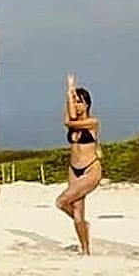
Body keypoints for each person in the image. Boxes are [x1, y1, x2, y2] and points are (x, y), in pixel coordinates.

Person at [54, 74, 101, 255]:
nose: (77, 105)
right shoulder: (74, 120)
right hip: (74, 170)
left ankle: (84, 226)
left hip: (90, 169)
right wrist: (69, 91)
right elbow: (69, 116)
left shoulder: (92, 123)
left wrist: (72, 92)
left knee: (61, 201)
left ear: (87, 104)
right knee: (77, 212)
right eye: (76, 102)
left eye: (80, 102)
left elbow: (68, 121)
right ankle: (85, 249)